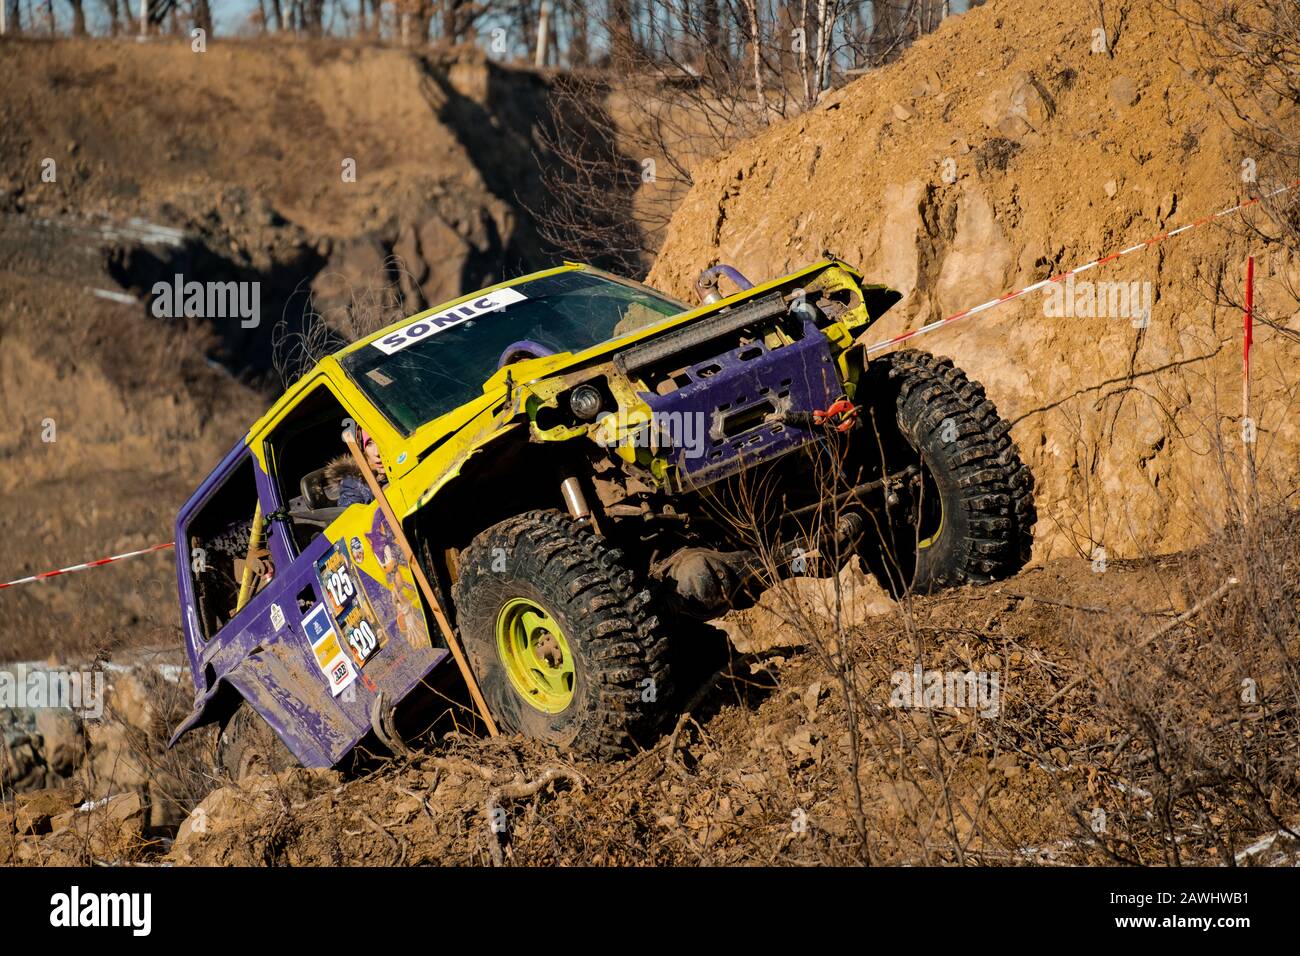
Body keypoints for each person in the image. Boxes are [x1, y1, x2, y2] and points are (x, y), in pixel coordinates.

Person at [325, 429, 386, 507]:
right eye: (369, 444)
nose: (377, 453)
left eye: (379, 441)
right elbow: (350, 513)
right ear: (363, 451)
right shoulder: (354, 482)